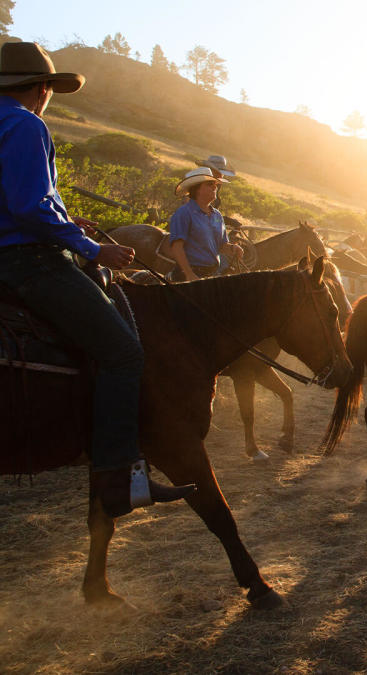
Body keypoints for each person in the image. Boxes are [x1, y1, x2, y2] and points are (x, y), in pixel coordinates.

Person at [0, 42, 193, 516]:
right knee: (124, 352)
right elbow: (28, 208)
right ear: (42, 89)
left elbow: (25, 204)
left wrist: (70, 222)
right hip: (28, 262)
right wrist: (93, 248)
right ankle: (119, 475)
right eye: (50, 90)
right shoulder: (26, 124)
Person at [166, 167, 242, 281]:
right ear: (197, 189)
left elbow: (221, 245)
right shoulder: (184, 213)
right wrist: (189, 274)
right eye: (210, 184)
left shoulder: (217, 215)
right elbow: (177, 247)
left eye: (215, 184)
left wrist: (232, 248)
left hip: (211, 273)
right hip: (188, 275)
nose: (215, 187)